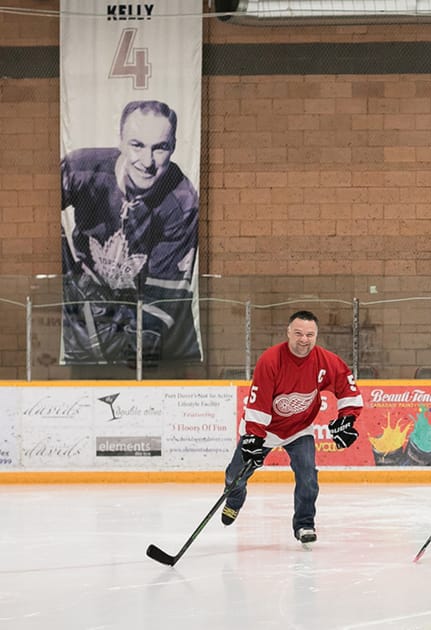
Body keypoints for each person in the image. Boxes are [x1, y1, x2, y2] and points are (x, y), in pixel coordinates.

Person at [60, 99, 200, 365]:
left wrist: (129, 353)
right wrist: (70, 277)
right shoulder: (81, 169)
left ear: (173, 147)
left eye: (160, 148)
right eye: (137, 145)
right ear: (121, 142)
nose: (147, 162)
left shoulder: (181, 201)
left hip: (145, 320)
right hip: (86, 317)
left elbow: (162, 297)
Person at [219, 310, 364, 545]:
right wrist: (253, 437)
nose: (303, 339)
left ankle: (305, 524)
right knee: (234, 475)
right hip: (264, 429)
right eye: (298, 333)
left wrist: (347, 417)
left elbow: (348, 388)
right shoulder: (271, 360)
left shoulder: (325, 361)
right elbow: (259, 401)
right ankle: (235, 500)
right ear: (288, 332)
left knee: (308, 476)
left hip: (299, 428)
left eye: (309, 334)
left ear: (316, 335)